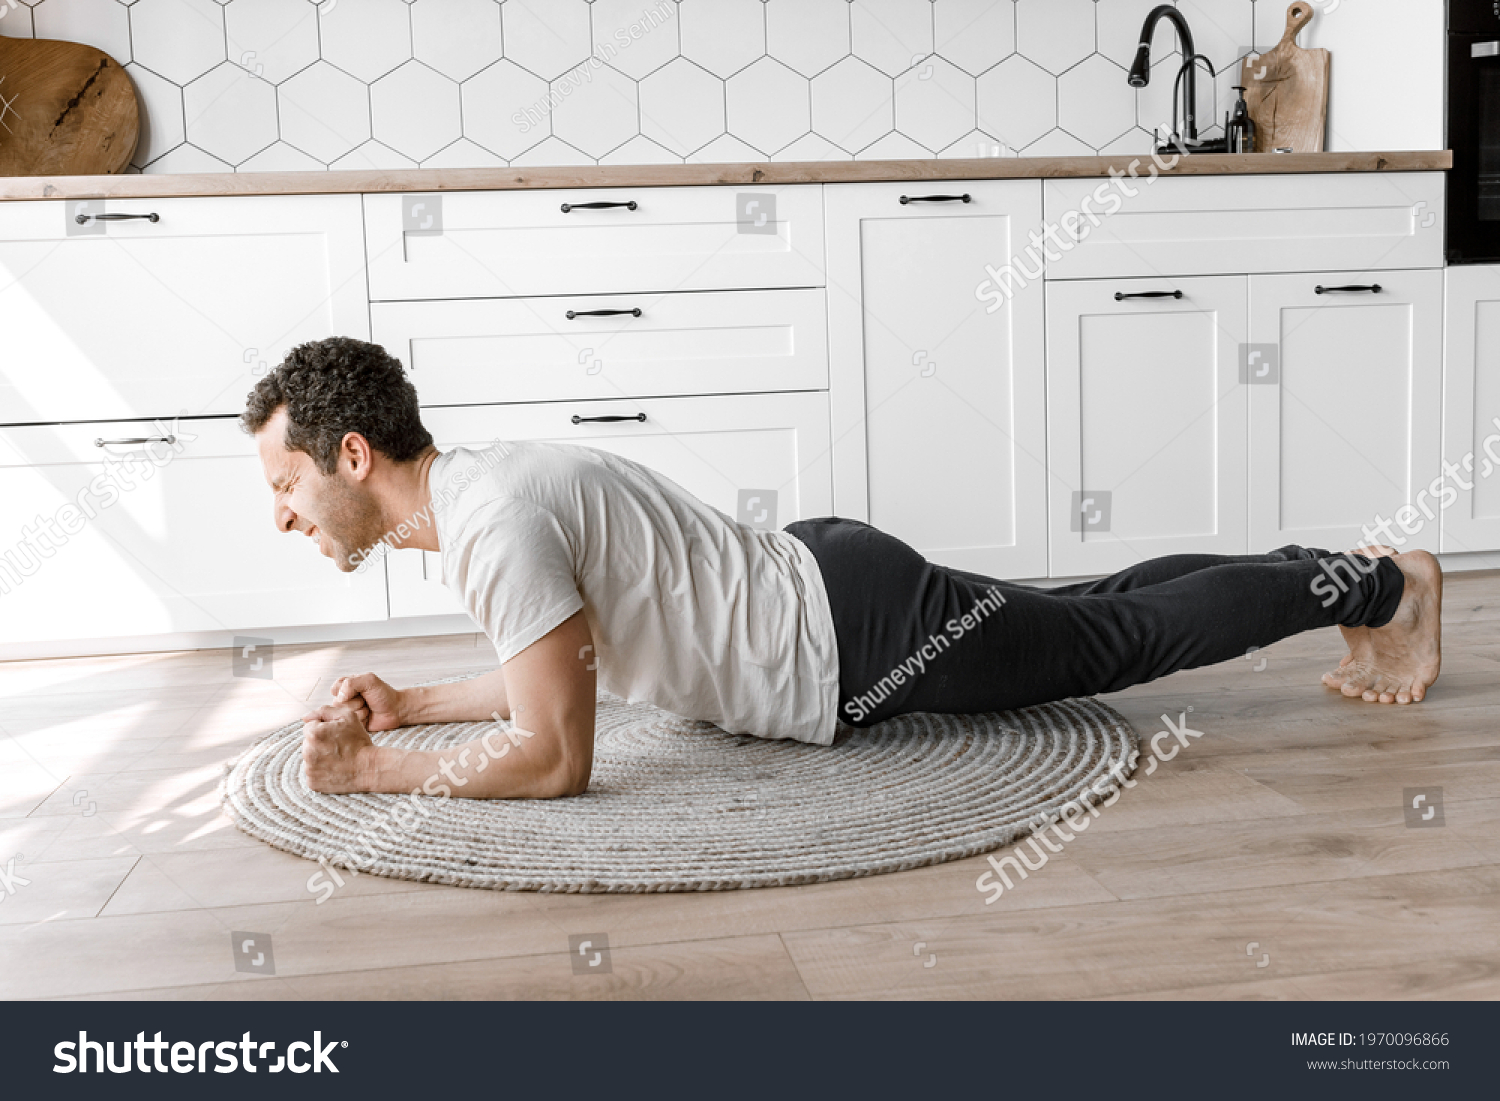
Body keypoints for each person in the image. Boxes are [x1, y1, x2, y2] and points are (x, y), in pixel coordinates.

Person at [244, 337, 1443, 801]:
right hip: (832, 586)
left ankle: (1385, 588)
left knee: (1113, 642)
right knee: (1096, 610)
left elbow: (557, 758)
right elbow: (558, 673)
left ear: (352, 455)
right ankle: (1338, 575)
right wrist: (416, 706)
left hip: (848, 637)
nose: (288, 519)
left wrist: (378, 772)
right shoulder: (483, 492)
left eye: (288, 486)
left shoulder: (491, 523)